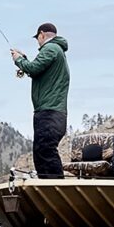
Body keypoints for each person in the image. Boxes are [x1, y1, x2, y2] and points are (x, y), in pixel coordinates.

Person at [10, 22, 70, 179]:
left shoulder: (51, 49)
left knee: (45, 150)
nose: (38, 41)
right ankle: (50, 186)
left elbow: (33, 68)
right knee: (42, 150)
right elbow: (38, 69)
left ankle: (55, 188)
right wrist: (25, 60)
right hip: (53, 112)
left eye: (37, 38)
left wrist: (18, 60)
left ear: (42, 34)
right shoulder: (58, 52)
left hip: (49, 111)